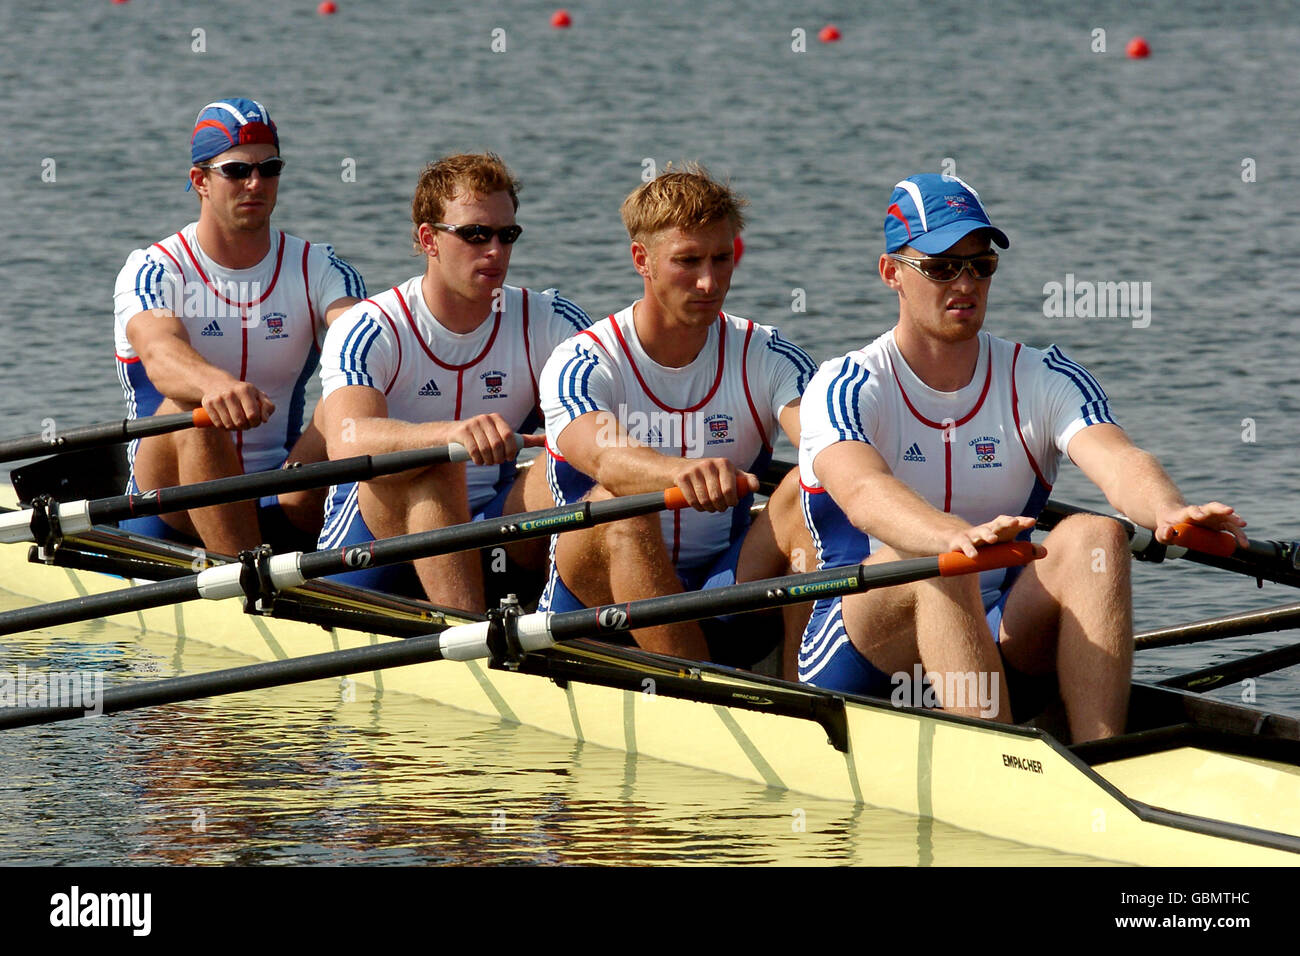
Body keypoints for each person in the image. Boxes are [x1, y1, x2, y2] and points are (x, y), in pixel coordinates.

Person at [796, 173, 1247, 741]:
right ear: (892, 273)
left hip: (1003, 636)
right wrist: (950, 536)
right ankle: (1003, 771)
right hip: (865, 655)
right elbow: (863, 494)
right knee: (945, 562)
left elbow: (1117, 458)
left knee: (1097, 537)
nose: (965, 283)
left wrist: (1168, 511)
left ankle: (1103, 760)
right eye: (941, 267)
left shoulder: (1042, 377)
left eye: (980, 266)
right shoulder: (847, 384)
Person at [538, 167, 818, 671]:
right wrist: (676, 472)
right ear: (641, 260)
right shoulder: (582, 362)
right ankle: (700, 688)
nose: (709, 281)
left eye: (722, 258)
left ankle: (811, 690)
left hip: (722, 592)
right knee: (618, 501)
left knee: (810, 481)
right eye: (687, 262)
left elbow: (826, 447)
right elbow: (606, 457)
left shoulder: (772, 356)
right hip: (597, 611)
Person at [316, 153, 591, 612]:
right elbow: (347, 439)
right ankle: (470, 639)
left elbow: (609, 420)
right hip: (375, 545)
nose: (495, 251)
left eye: (507, 235)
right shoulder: (370, 326)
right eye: (475, 234)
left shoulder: (551, 322)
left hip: (492, 532)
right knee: (440, 465)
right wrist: (450, 434)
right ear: (430, 239)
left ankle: (617, 630)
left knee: (589, 462)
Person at [113, 97, 364, 554]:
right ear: (200, 181)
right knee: (194, 412)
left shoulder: (320, 268)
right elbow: (158, 352)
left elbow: (366, 342)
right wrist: (216, 385)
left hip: (285, 488)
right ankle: (247, 573)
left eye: (269, 169)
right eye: (235, 171)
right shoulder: (154, 270)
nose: (255, 183)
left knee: (349, 398)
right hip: (168, 503)